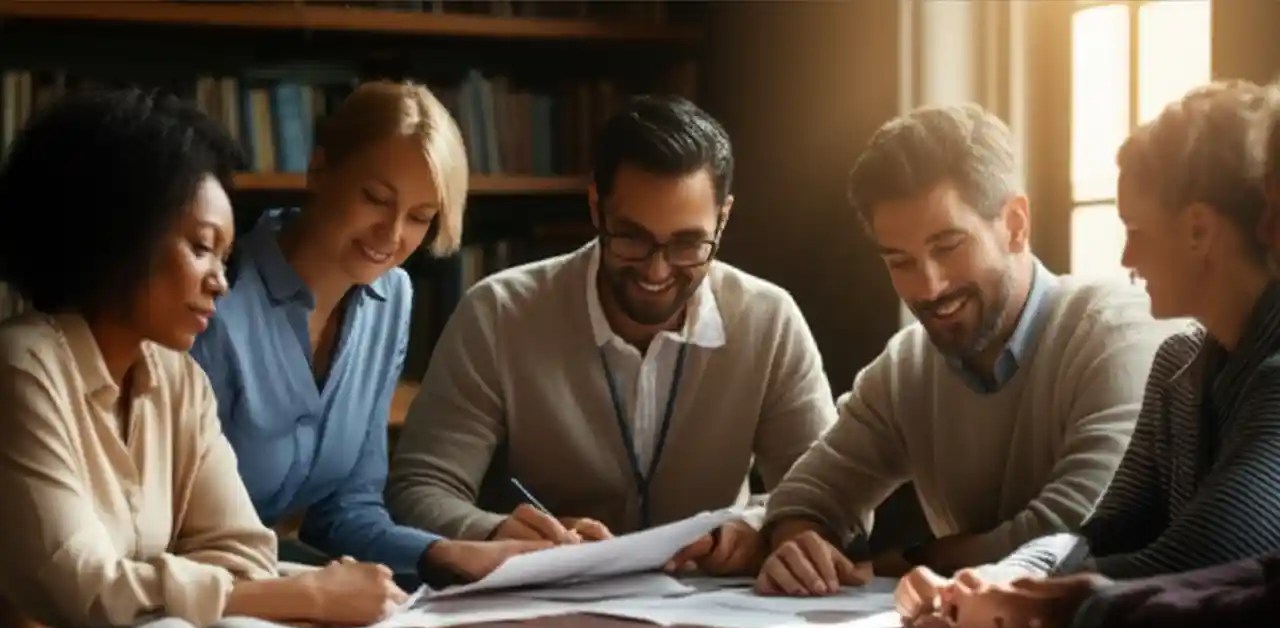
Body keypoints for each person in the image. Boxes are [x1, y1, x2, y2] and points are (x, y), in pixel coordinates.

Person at [0, 88, 410, 628]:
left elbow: (243, 552)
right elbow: (83, 587)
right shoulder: (23, 367)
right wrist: (305, 595)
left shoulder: (180, 380)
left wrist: (154, 588)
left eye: (224, 255)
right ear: (117, 232)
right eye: (199, 247)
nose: (219, 281)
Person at [913, 82, 1280, 628]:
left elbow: (1203, 556)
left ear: (1198, 230)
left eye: (1136, 229)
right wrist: (1009, 575)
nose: (1126, 258)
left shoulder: (1274, 377)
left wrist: (1028, 603)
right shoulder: (1179, 364)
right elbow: (1102, 532)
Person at [385, 95, 837, 576]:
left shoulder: (769, 320)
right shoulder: (499, 313)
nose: (657, 270)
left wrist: (755, 527)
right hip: (548, 605)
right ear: (597, 207)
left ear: (722, 218)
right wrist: (495, 533)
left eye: (688, 244)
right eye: (633, 238)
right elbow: (417, 492)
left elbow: (832, 492)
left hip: (716, 612)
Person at [755, 103, 1178, 597]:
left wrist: (906, 562)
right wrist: (799, 544)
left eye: (949, 246)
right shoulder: (907, 367)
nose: (929, 286)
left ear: (1016, 224)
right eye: (901, 261)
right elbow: (804, 497)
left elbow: (1074, 532)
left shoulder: (1118, 333)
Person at [190, 81, 548, 587]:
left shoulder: (391, 298)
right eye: (376, 199)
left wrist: (451, 552)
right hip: (204, 594)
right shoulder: (214, 302)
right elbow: (174, 529)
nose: (392, 235)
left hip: (279, 586)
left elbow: (346, 511)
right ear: (319, 172)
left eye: (420, 218)